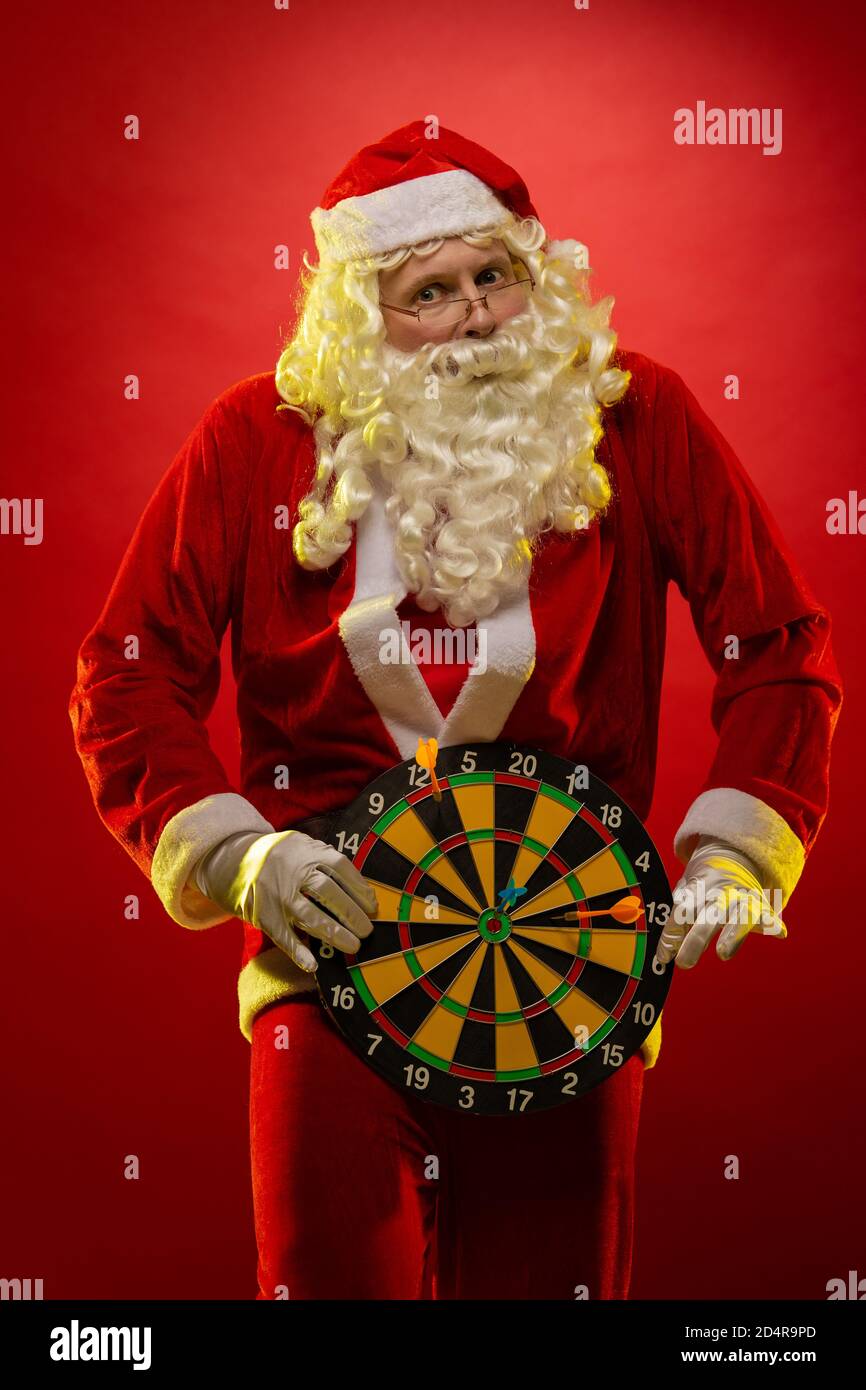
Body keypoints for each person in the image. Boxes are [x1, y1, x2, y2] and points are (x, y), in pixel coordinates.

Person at [68, 120, 843, 1300]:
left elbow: (781, 649)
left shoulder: (638, 418)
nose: (477, 317)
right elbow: (124, 674)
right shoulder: (250, 440)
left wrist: (734, 850)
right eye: (428, 291)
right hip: (324, 965)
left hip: (574, 958)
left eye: (496, 277)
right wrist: (239, 857)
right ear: (359, 319)